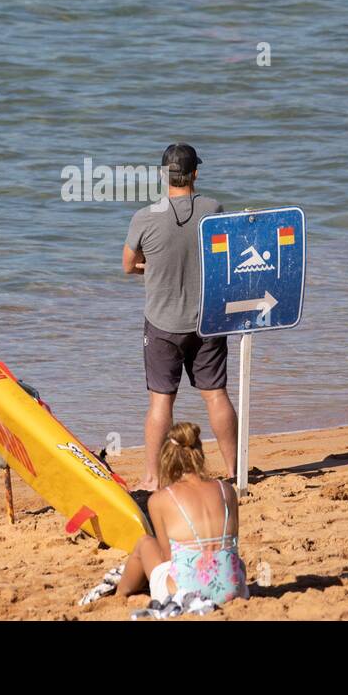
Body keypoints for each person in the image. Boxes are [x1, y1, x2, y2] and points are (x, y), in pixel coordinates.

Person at [124, 143, 236, 490]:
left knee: (161, 402)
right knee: (216, 394)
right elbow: (223, 258)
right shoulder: (213, 209)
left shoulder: (144, 217)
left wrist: (151, 266)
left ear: (163, 175)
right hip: (207, 320)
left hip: (162, 323)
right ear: (195, 174)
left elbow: (129, 265)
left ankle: (154, 477)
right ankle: (235, 471)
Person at [116, 422, 248, 605]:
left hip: (183, 593)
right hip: (233, 591)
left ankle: (119, 596)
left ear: (166, 459)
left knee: (144, 543)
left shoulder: (160, 499)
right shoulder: (227, 490)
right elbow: (232, 543)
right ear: (200, 454)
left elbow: (167, 558)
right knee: (234, 559)